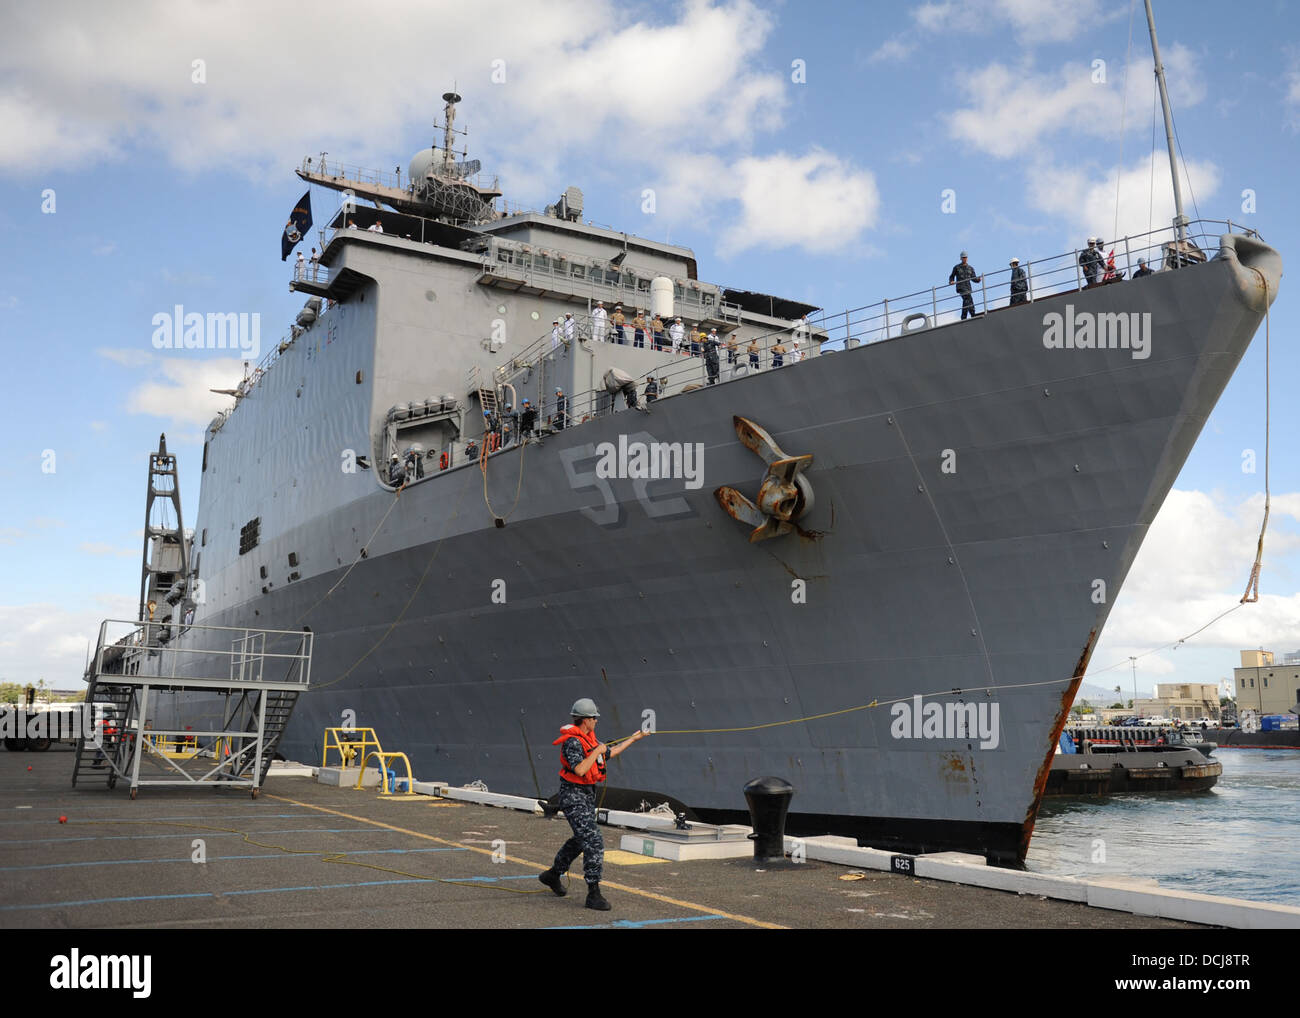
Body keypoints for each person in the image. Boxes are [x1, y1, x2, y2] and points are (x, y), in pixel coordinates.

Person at [538, 698, 647, 910]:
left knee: (581, 839)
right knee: (594, 840)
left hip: (586, 796)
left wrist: (635, 738)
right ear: (585, 720)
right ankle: (593, 894)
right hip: (572, 796)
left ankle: (552, 875)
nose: (597, 721)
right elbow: (579, 769)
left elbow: (610, 753)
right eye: (595, 718)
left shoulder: (590, 740)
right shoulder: (573, 743)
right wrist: (597, 751)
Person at [949, 250, 982, 320]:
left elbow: (973, 278)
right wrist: (951, 281)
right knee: (967, 299)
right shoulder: (956, 267)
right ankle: (968, 316)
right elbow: (952, 276)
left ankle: (971, 315)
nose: (964, 259)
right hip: (961, 287)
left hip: (968, 288)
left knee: (969, 301)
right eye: (963, 257)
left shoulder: (970, 268)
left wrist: (978, 280)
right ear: (961, 258)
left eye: (965, 257)